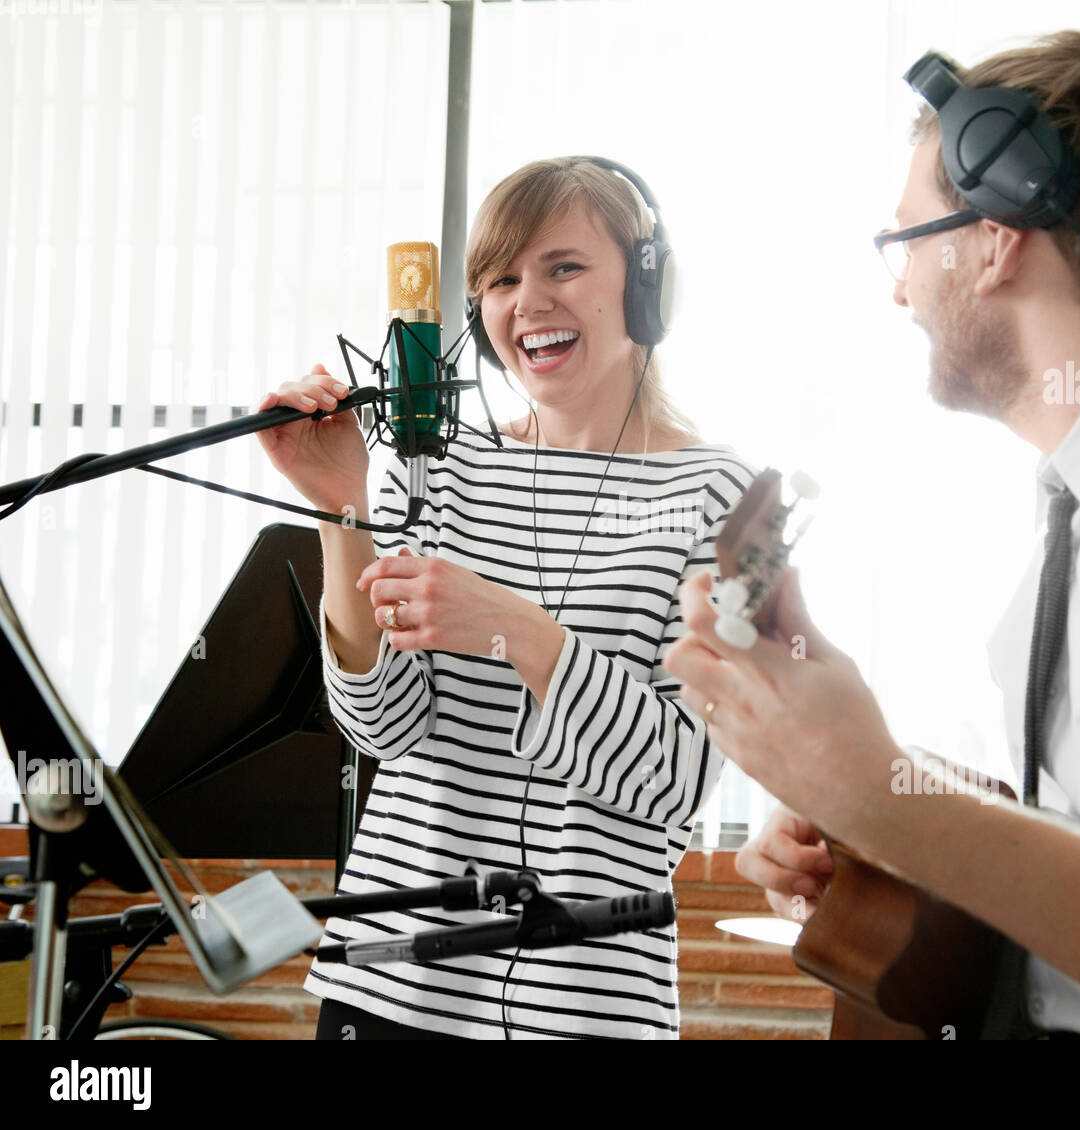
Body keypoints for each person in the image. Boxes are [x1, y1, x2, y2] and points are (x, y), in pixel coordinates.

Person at [664, 32, 1080, 1039]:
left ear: (996, 237)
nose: (898, 287)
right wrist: (873, 800)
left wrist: (883, 797)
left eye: (907, 238)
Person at [257, 156, 754, 1039]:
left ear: (647, 287)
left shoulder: (724, 498)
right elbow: (383, 729)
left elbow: (677, 782)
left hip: (588, 1006)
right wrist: (344, 505)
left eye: (564, 267)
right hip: (391, 982)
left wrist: (517, 630)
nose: (526, 301)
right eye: (500, 280)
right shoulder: (439, 468)